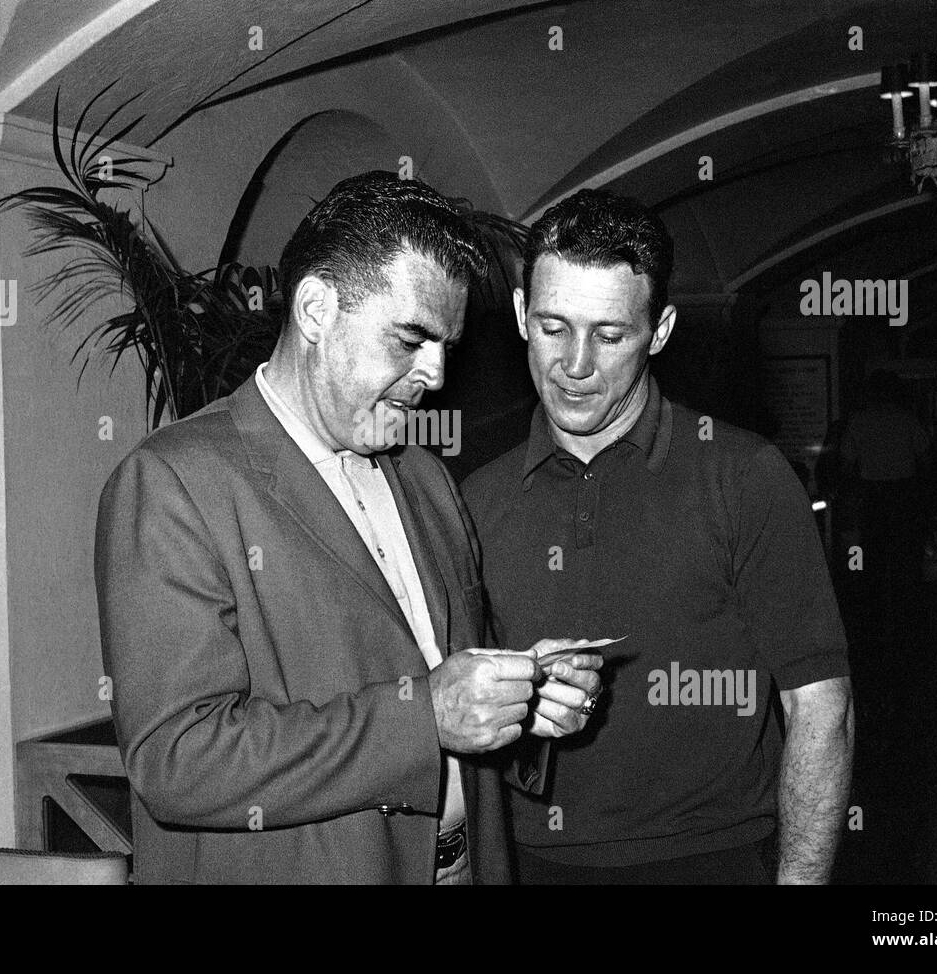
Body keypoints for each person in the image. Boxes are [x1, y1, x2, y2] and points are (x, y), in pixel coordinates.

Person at [94, 171, 601, 884]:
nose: (435, 372)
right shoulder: (176, 481)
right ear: (316, 307)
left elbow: (448, 681)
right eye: (410, 338)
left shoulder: (422, 475)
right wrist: (425, 718)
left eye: (446, 345)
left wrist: (522, 703)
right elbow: (177, 759)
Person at [462, 190, 853, 884]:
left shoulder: (746, 477)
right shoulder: (471, 500)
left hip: (713, 860)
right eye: (553, 326)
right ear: (521, 315)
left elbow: (820, 707)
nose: (575, 364)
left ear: (662, 330)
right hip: (527, 863)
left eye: (610, 336)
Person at [839, 369, 933, 618]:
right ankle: (907, 612)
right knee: (905, 555)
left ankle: (874, 611)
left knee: (874, 556)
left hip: (874, 494)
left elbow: (847, 464)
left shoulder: (859, 421)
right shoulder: (907, 419)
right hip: (904, 493)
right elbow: (926, 459)